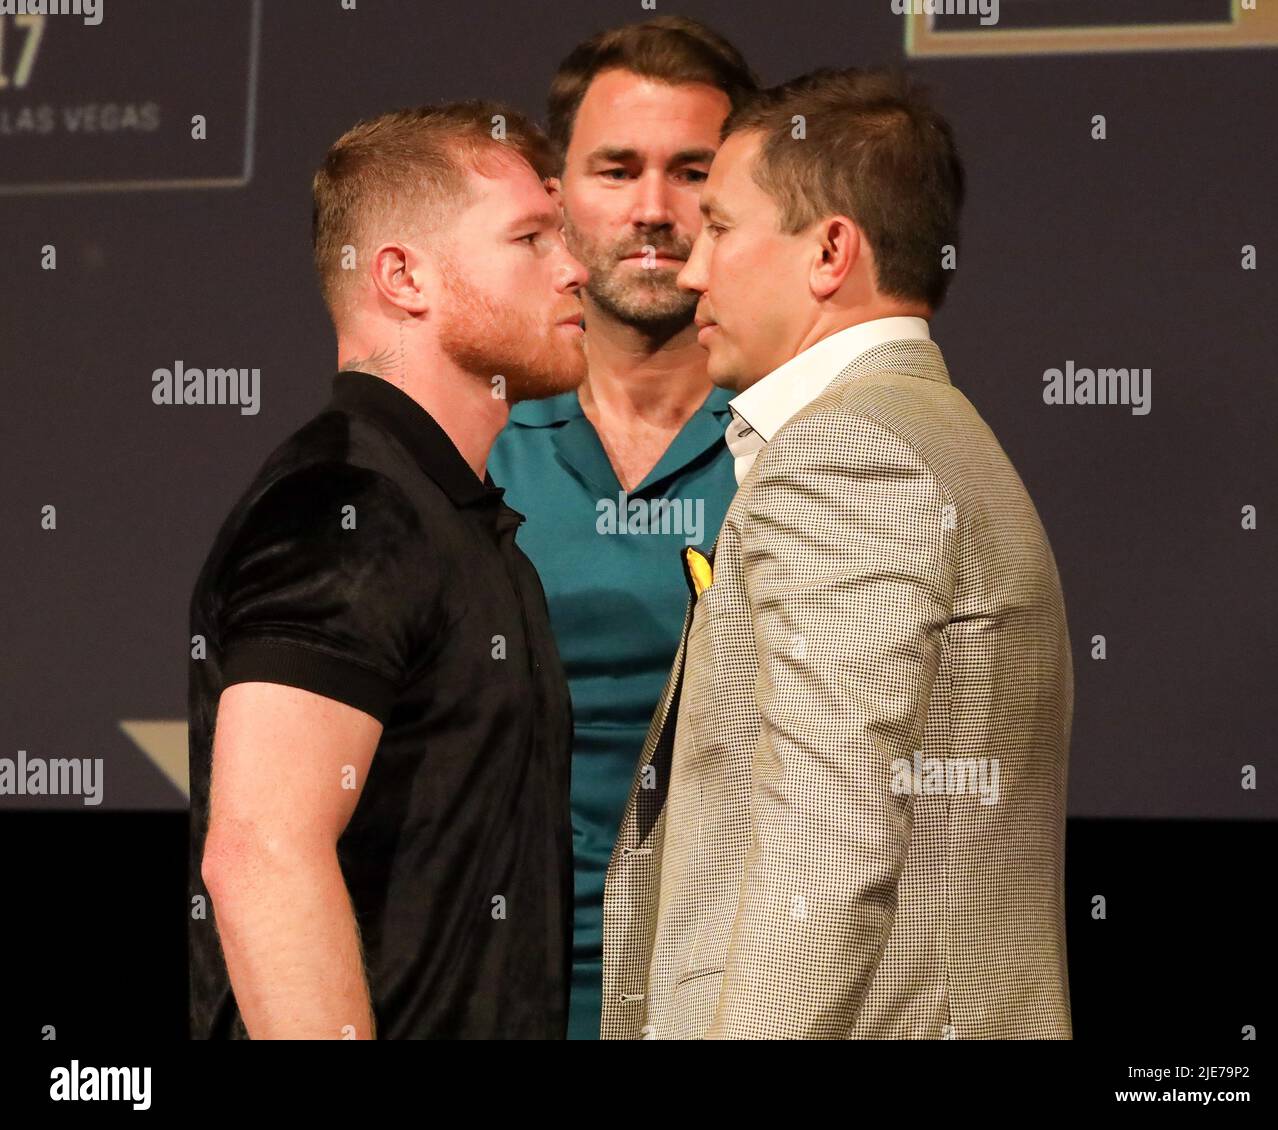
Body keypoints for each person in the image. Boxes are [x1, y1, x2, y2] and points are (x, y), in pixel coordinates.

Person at [602, 68, 1074, 1039]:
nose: (691, 270)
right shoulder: (918, 430)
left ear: (829, 251)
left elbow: (829, 842)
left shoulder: (851, 451)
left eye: (722, 228)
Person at [189, 101, 588, 1039]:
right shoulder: (349, 507)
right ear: (403, 278)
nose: (575, 268)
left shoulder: (460, 522)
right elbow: (260, 854)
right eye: (530, 237)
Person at [487, 16, 758, 1039]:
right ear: (556, 196)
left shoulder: (800, 451)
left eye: (692, 171)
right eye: (615, 168)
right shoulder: (470, 449)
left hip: (735, 1008)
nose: (652, 209)